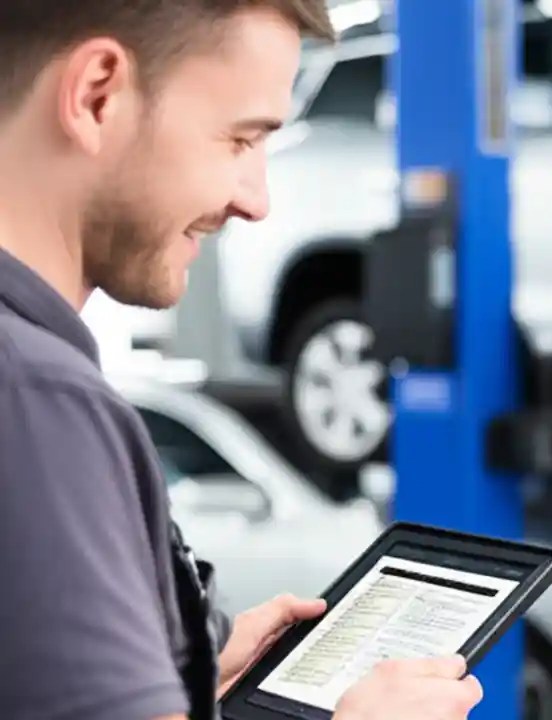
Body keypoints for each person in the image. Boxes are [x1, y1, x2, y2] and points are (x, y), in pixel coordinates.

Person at [0, 2, 482, 719]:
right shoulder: (39, 402)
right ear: (98, 94)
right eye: (239, 140)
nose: (255, 200)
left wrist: (173, 670)